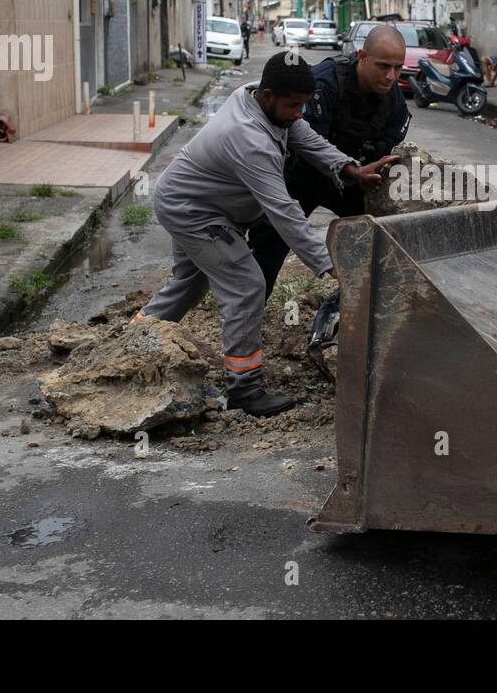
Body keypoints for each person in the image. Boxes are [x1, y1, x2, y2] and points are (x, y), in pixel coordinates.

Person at [132, 52, 396, 417]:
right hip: (195, 212)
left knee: (188, 286)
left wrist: (350, 169)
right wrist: (331, 265)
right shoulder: (248, 139)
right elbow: (285, 214)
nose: (299, 113)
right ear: (268, 96)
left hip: (195, 201)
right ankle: (244, 388)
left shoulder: (257, 99)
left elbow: (304, 135)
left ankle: (131, 341)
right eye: (292, 105)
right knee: (246, 285)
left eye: (303, 105)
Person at [249, 25, 411, 298]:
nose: (390, 76)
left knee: (382, 239)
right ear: (362, 56)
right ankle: (250, 314)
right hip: (304, 176)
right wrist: (353, 170)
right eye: (383, 66)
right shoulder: (323, 84)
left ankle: (360, 309)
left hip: (353, 182)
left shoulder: (395, 104)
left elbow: (388, 152)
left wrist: (369, 175)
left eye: (398, 68)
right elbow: (310, 148)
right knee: (271, 236)